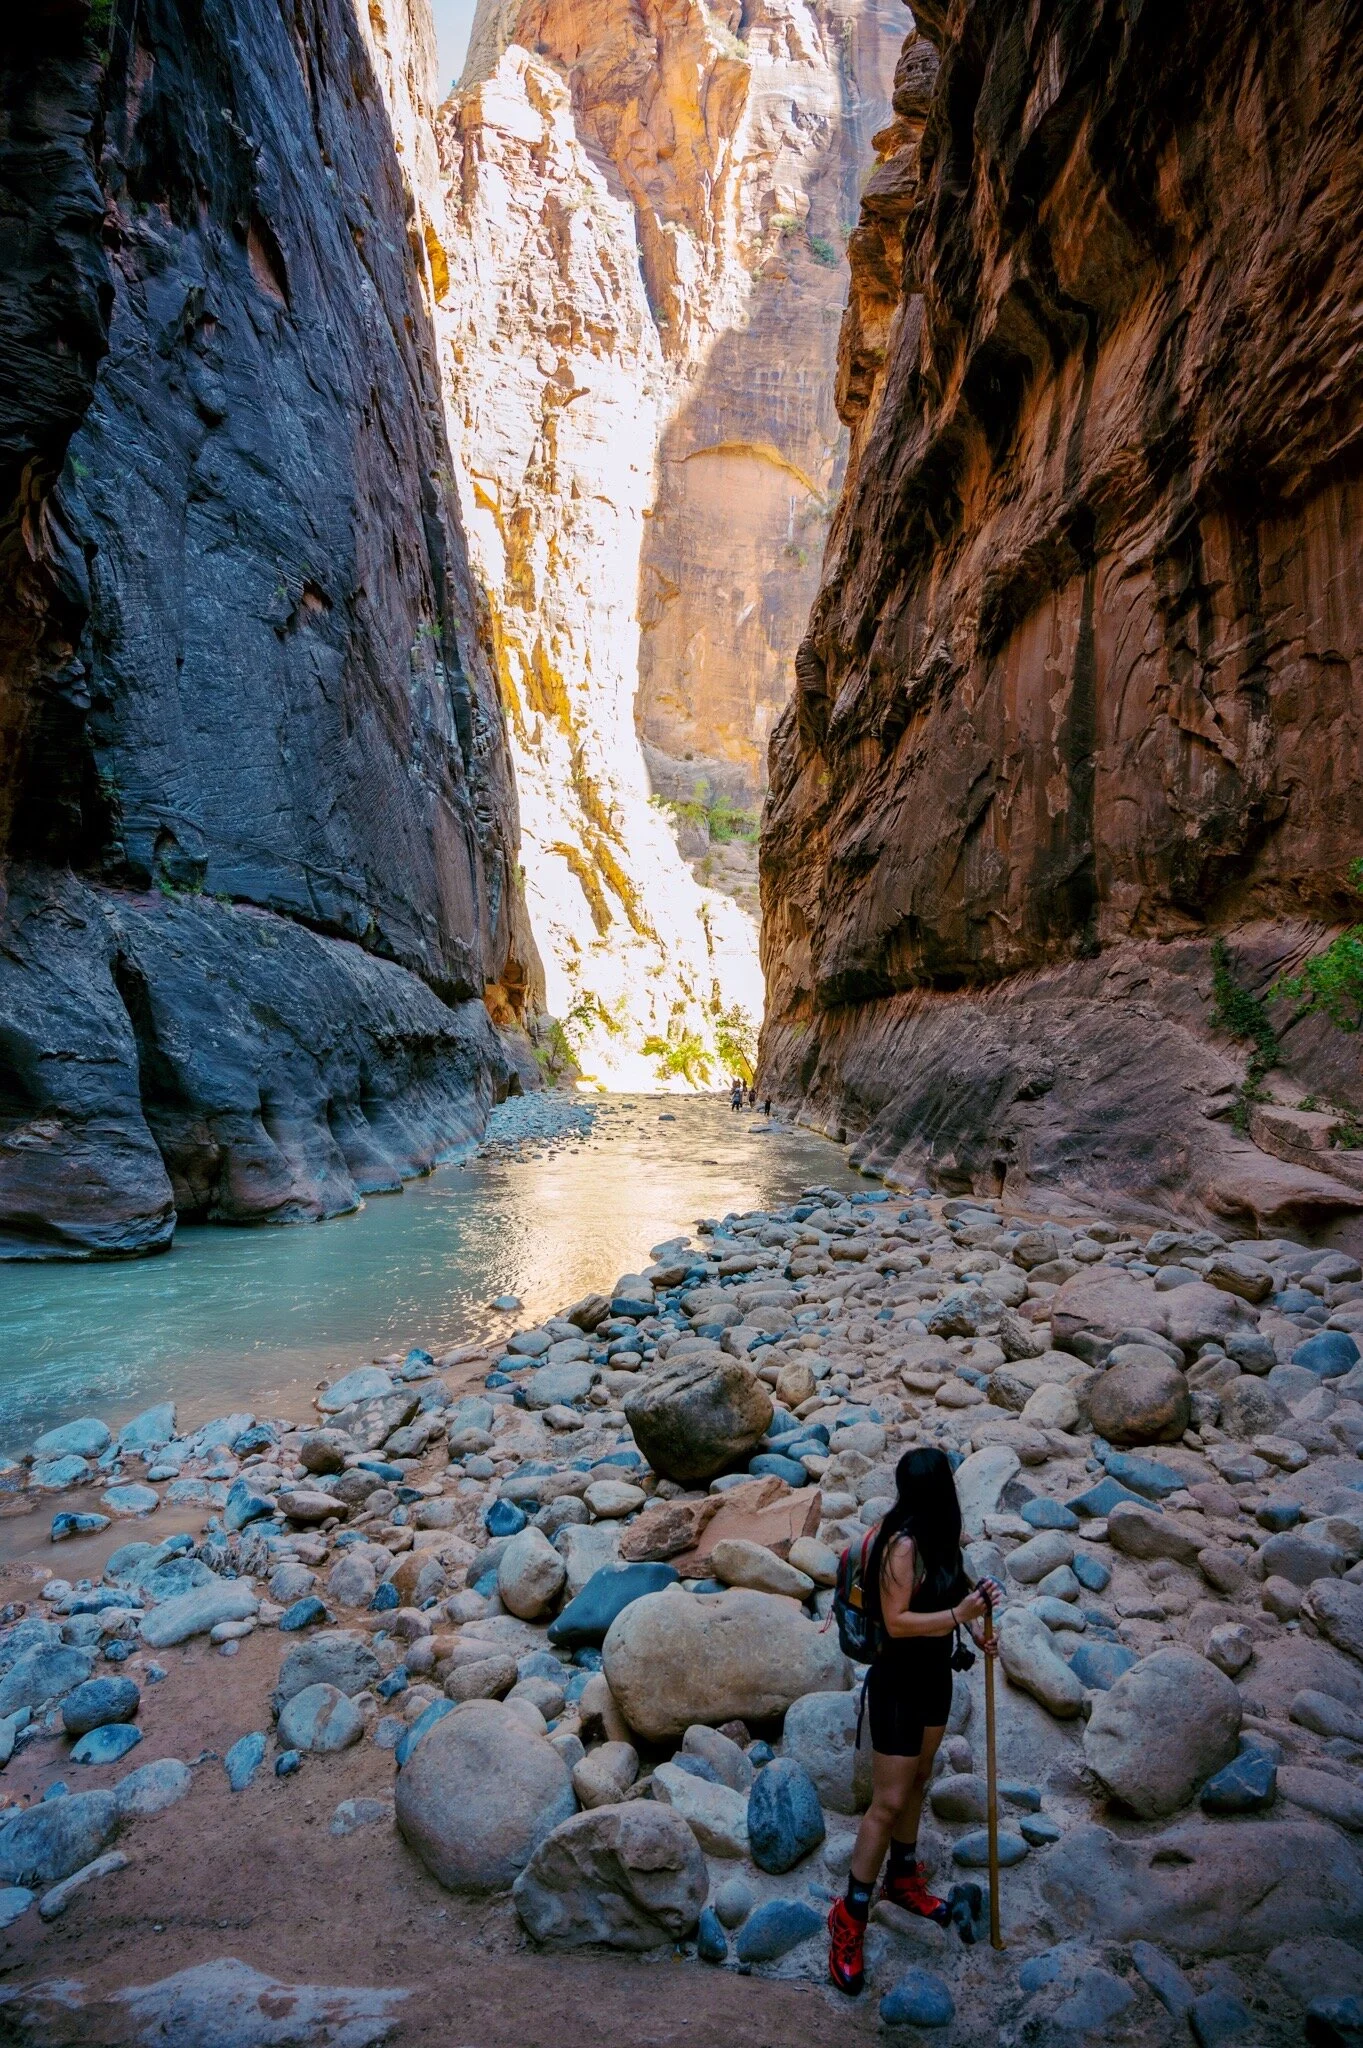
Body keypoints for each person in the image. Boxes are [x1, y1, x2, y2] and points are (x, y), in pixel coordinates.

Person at [826, 1448, 1001, 1997]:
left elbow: (952, 1586)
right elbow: (898, 1623)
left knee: (920, 1781)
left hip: (935, 1677)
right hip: (898, 1683)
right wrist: (959, 1617)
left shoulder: (941, 1533)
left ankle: (901, 1879)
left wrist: (977, 1624)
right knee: (888, 1802)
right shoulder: (900, 1545)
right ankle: (848, 1918)